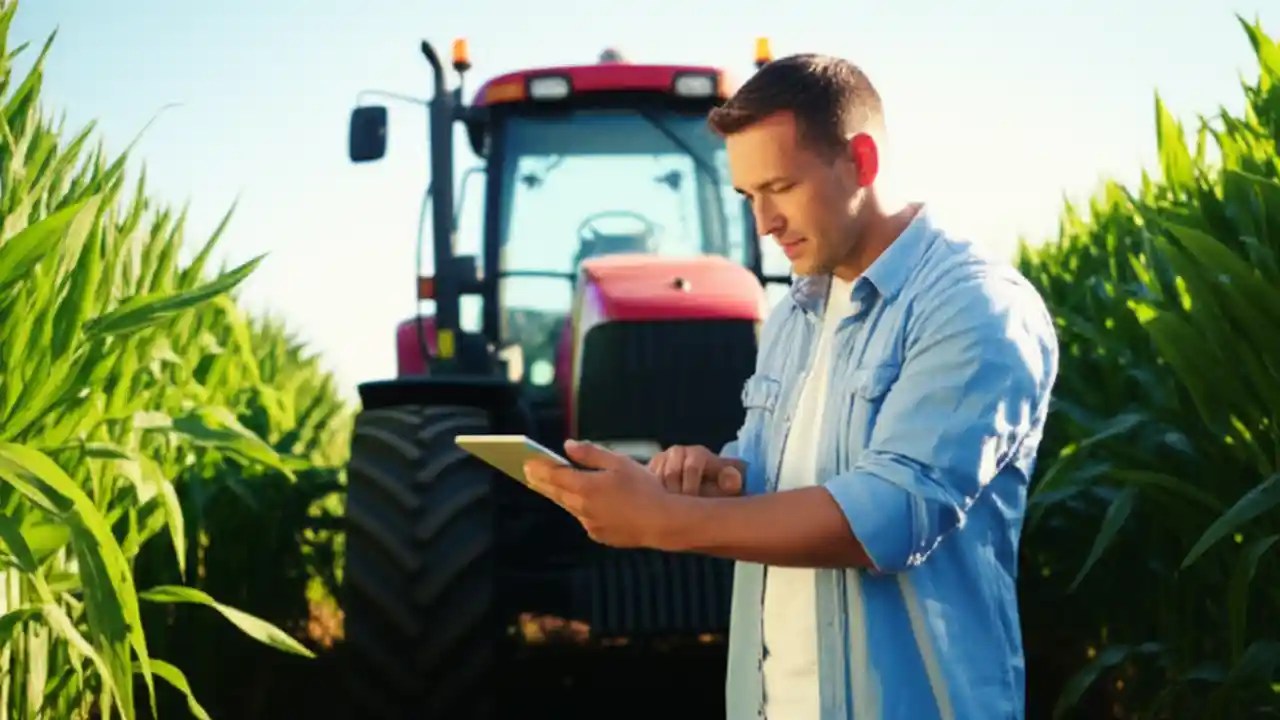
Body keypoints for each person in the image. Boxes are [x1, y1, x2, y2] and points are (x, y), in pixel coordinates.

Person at [522, 52, 1060, 720]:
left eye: (779, 187)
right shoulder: (794, 317)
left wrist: (664, 521)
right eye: (748, 197)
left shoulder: (975, 307)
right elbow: (771, 477)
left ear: (861, 161)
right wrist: (714, 475)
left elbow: (886, 520)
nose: (763, 222)